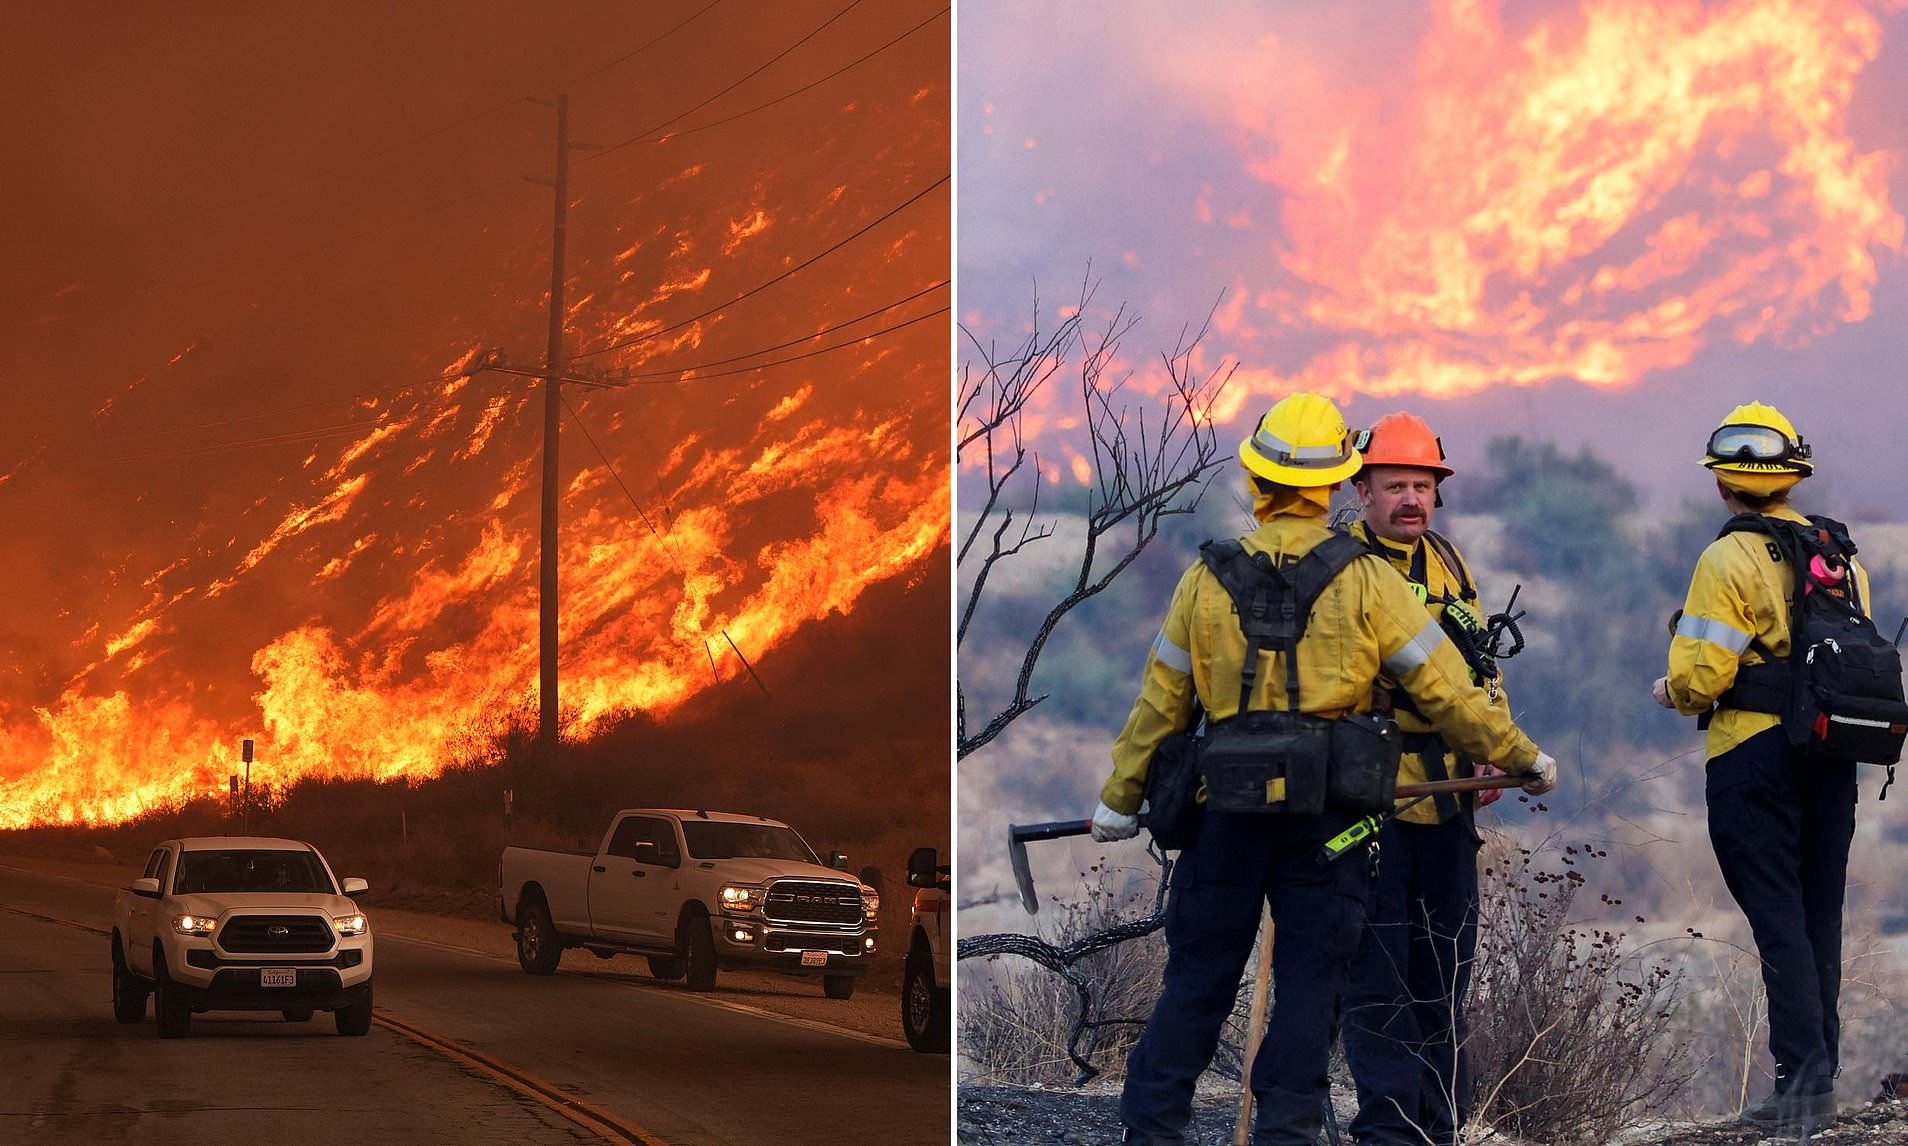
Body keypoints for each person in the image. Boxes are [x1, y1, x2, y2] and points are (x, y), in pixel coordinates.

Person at [1091, 392, 1556, 1146]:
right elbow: (1448, 691)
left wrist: (1119, 799)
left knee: (1197, 984)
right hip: (1331, 825)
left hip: (1223, 814)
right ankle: (1286, 1130)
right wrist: (1523, 756)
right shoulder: (1368, 581)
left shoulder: (1205, 580)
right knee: (1312, 988)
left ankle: (1150, 1130)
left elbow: (1159, 706)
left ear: (1256, 481)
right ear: (1340, 485)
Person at [1653, 402, 1870, 1126]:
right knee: (1819, 915)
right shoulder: (1836, 554)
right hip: (1833, 754)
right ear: (1790, 477)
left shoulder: (1727, 557)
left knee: (1778, 917)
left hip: (1753, 755)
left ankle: (1800, 1086)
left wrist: (1673, 684)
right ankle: (1819, 1079)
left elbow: (1700, 679)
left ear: (1722, 484)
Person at [1337, 412, 1509, 1146]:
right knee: (1376, 979)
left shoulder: (1449, 563)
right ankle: (1388, 1127)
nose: (1412, 499)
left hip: (1446, 807)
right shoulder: (1337, 565)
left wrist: (1493, 744)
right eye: (1395, 485)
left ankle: (1443, 1125)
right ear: (1363, 490)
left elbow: (1480, 664)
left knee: (1444, 976)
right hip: (1368, 803)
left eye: (1423, 485)